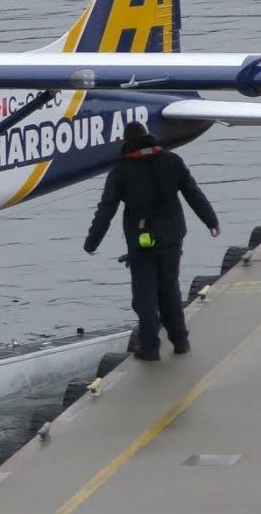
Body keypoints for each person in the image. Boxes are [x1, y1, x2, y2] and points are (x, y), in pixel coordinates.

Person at [83, 121, 220, 361]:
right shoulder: (172, 161)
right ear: (149, 136)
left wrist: (92, 242)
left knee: (144, 293)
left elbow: (106, 209)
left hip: (141, 240)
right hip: (172, 236)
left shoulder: (121, 171)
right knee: (170, 287)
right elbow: (193, 193)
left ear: (126, 142)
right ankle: (180, 341)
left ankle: (149, 347)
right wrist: (211, 221)